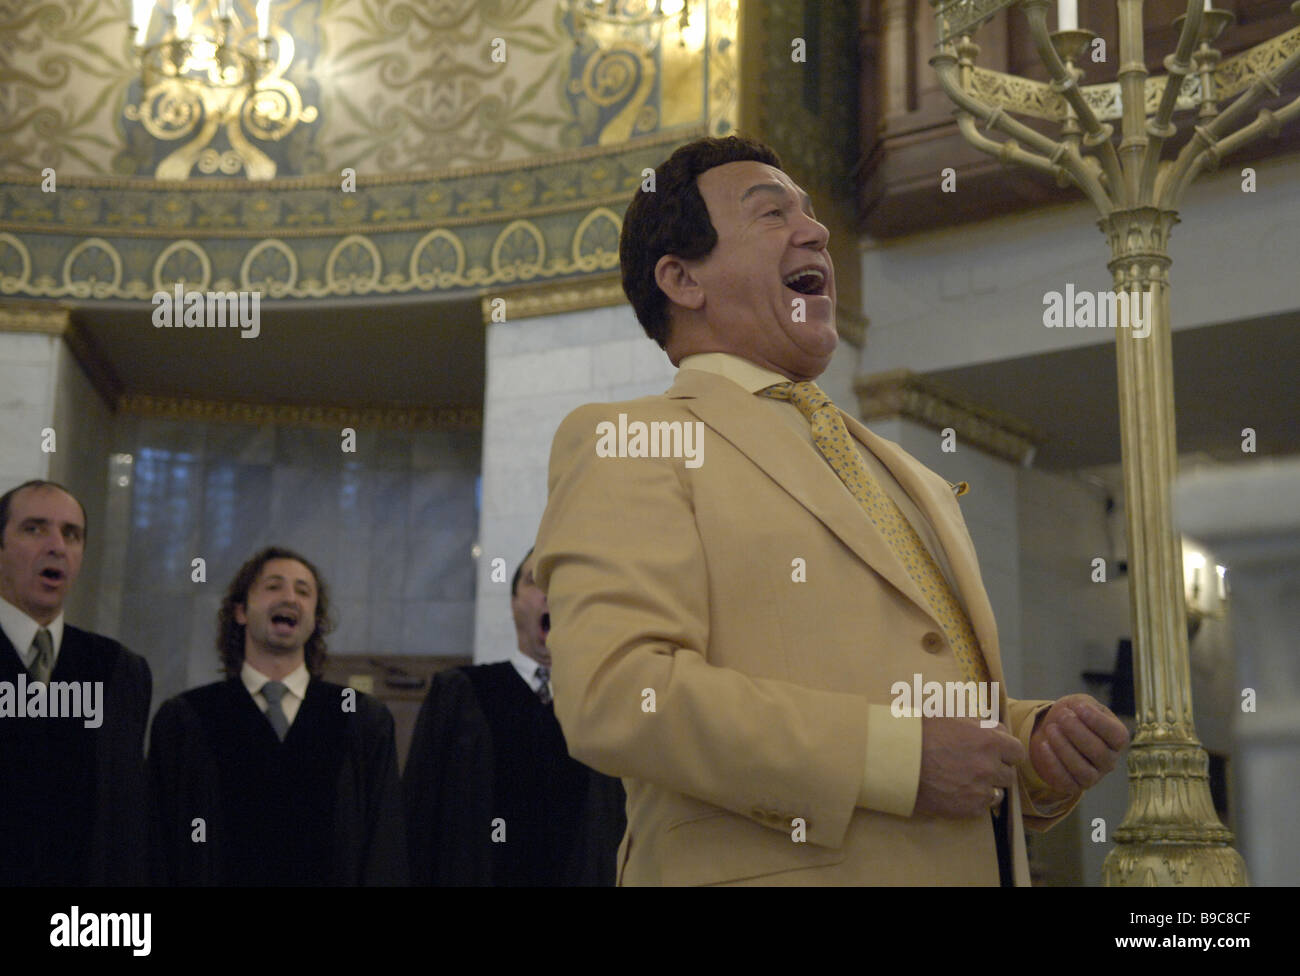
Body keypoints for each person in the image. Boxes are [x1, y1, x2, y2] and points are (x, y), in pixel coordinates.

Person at [533, 135, 1130, 885]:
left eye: (812, 214)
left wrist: (1028, 744)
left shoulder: (904, 470)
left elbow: (910, 690)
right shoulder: (632, 440)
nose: (815, 231)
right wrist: (894, 761)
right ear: (682, 278)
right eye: (771, 212)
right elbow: (615, 692)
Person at [149, 546, 407, 885]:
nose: (290, 598)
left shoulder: (361, 720)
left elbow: (383, 851)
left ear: (315, 621)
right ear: (240, 611)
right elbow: (156, 848)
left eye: (303, 591)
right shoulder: (187, 719)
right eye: (273, 586)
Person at [404, 547, 626, 885]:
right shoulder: (462, 692)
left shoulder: (603, 703)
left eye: (564, 583)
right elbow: (419, 813)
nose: (550, 594)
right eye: (535, 581)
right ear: (513, 604)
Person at [0, 479, 152, 885]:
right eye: (34, 529)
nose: (57, 546)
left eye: (72, 535)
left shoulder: (120, 671)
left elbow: (126, 825)